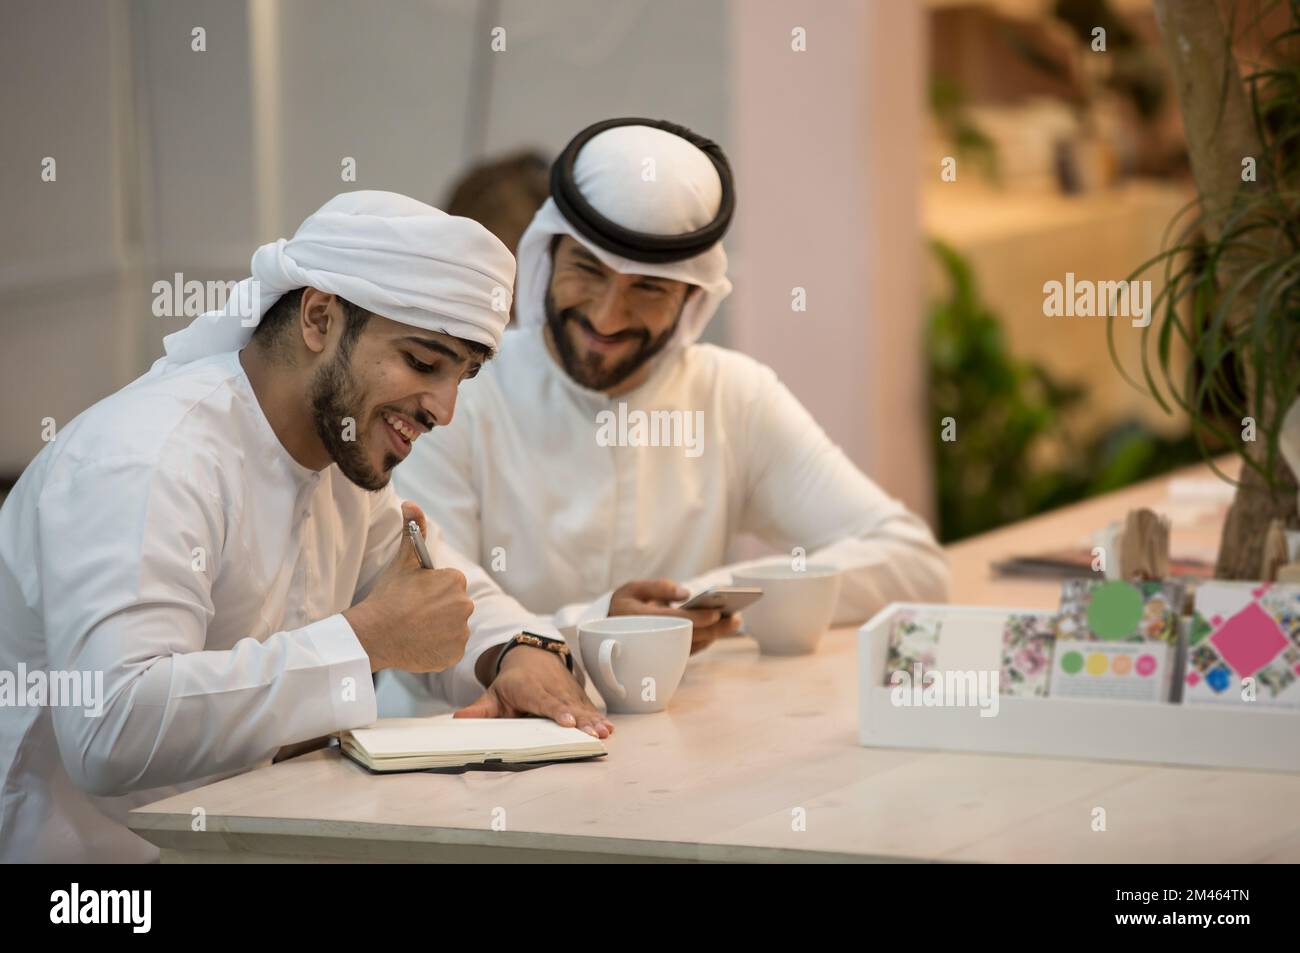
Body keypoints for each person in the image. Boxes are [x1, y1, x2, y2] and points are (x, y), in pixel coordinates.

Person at [0, 190, 608, 863]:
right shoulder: (147, 459)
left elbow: (433, 592)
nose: (444, 409)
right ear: (320, 316)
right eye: (425, 362)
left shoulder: (341, 456)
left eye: (462, 375)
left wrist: (517, 651)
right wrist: (367, 639)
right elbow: (110, 727)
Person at [390, 119, 950, 683]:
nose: (608, 316)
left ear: (690, 297)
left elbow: (911, 563)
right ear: (546, 259)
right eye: (587, 270)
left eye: (648, 289)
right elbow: (427, 630)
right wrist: (594, 627)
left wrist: (712, 598)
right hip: (461, 756)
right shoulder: (456, 391)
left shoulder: (732, 396)